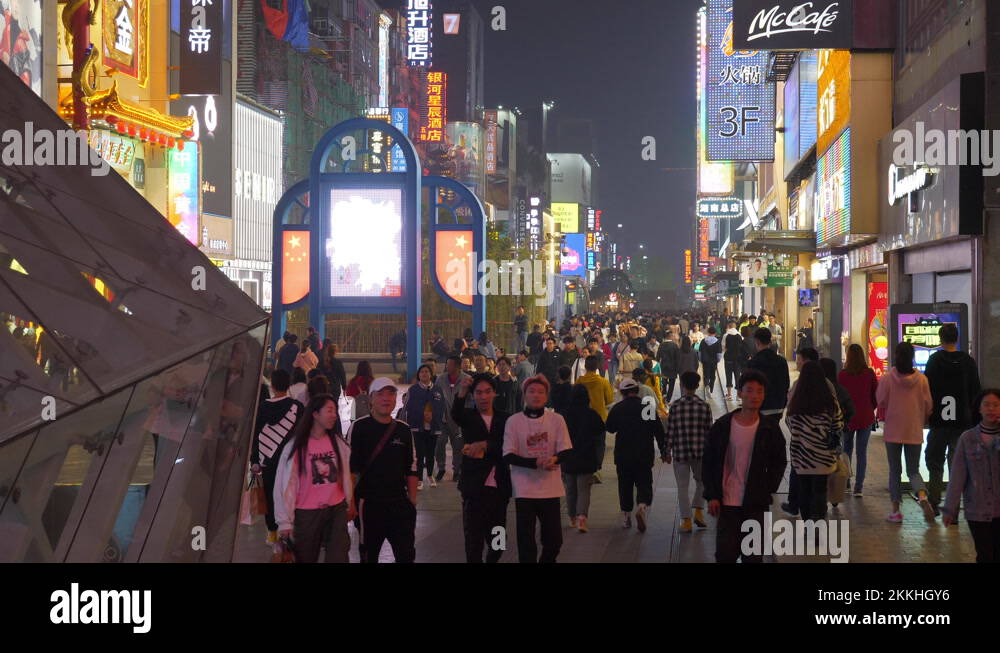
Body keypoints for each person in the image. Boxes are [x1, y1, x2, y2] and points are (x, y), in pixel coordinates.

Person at [703, 370, 787, 563]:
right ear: (740, 393)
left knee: (753, 557)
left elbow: (779, 461)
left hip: (755, 503)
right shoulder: (723, 426)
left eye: (759, 391)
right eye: (749, 391)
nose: (754, 396)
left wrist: (768, 488)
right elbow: (709, 461)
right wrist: (712, 495)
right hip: (727, 504)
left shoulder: (769, 429)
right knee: (725, 555)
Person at [273, 393, 354, 563]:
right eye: (330, 410)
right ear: (315, 414)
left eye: (335, 410)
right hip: (306, 514)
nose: (334, 415)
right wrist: (284, 522)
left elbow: (345, 477)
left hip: (336, 510)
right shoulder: (295, 447)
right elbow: (282, 485)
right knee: (305, 557)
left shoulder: (338, 443)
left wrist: (350, 502)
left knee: (339, 557)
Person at [503, 375, 572, 563]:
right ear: (524, 395)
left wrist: (555, 459)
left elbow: (566, 450)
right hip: (524, 489)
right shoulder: (513, 421)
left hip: (550, 489)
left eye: (540, 392)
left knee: (554, 540)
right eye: (531, 391)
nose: (536, 395)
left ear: (547, 396)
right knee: (526, 541)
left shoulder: (557, 420)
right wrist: (535, 463)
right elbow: (508, 455)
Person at [349, 378, 419, 563]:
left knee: (406, 555)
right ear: (370, 399)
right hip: (369, 505)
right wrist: (350, 503)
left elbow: (412, 467)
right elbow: (351, 470)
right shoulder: (359, 427)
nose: (386, 398)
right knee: (368, 555)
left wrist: (411, 501)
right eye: (380, 394)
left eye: (391, 394)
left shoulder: (404, 430)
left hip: (399, 505)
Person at [452, 373, 513, 563]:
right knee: (473, 542)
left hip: (499, 489)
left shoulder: (505, 419)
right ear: (473, 396)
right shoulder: (469, 417)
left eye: (487, 392)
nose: (483, 397)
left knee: (498, 540)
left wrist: (486, 445)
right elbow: (455, 413)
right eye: (478, 393)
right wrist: (462, 390)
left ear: (494, 393)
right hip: (474, 489)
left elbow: (508, 446)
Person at [924, 323, 982, 515]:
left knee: (935, 462)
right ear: (957, 338)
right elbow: (976, 394)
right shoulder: (968, 362)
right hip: (962, 423)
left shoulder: (934, 361)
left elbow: (927, 390)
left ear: (940, 339)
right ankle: (954, 509)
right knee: (957, 465)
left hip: (939, 422)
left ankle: (934, 503)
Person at [877, 342, 935, 524]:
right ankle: (923, 497)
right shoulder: (922, 380)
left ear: (895, 355)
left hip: (893, 430)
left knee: (895, 471)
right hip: (913, 430)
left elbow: (880, 400)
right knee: (913, 471)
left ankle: (896, 511)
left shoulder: (887, 379)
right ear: (912, 357)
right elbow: (929, 405)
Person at [943, 389, 1000, 562]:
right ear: (979, 409)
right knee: (985, 555)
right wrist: (950, 509)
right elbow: (958, 476)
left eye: (996, 405)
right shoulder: (967, 438)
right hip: (977, 508)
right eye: (987, 404)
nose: (991, 409)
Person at [785, 361, 844, 523]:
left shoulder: (796, 402)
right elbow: (838, 424)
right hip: (823, 456)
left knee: (804, 491)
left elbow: (789, 423)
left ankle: (808, 524)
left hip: (801, 455)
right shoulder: (829, 402)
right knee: (819, 491)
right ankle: (818, 520)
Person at [606, 378, 667, 532]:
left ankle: (626, 517)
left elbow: (610, 428)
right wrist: (664, 450)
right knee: (644, 481)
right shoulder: (646, 408)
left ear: (622, 392)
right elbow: (658, 431)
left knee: (625, 485)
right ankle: (641, 506)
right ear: (637, 391)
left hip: (623, 454)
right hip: (644, 453)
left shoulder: (618, 408)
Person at [251, 369, 304, 544]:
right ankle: (290, 530)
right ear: (289, 385)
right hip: (291, 462)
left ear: (272, 386)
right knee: (289, 494)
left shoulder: (263, 407)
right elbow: (303, 435)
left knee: (270, 495)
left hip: (268, 461)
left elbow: (255, 435)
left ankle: (273, 532)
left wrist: (255, 461)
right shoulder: (297, 407)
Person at [664, 371, 713, 533]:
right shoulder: (704, 406)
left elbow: (670, 431)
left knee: (682, 487)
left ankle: (686, 521)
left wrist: (667, 451)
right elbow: (709, 432)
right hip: (700, 452)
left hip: (681, 452)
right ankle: (699, 511)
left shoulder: (675, 406)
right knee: (702, 482)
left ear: (682, 385)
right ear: (698, 386)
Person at [560, 385, 605, 532]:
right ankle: (582, 519)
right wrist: (599, 460)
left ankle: (572, 517)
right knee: (584, 489)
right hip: (587, 457)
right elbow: (600, 439)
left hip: (568, 458)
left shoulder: (564, 415)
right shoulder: (592, 415)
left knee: (571, 489)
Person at [838, 344, 878, 498]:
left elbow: (840, 396)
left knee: (846, 451)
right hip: (865, 417)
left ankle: (847, 483)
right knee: (862, 453)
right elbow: (876, 395)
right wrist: (870, 407)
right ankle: (859, 488)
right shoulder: (869, 374)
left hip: (848, 418)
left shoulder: (842, 375)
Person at [404, 364, 445, 490]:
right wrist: (422, 414)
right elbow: (409, 408)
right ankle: (420, 479)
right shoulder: (413, 390)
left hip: (433, 427)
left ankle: (430, 476)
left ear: (431, 374)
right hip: (418, 427)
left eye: (427, 372)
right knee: (420, 454)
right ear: (418, 375)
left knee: (431, 453)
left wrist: (434, 415)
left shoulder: (438, 389)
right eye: (421, 372)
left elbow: (442, 407)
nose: (424, 374)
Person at [433, 355, 469, 483]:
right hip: (443, 418)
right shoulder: (440, 379)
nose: (447, 366)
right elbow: (435, 397)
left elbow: (470, 400)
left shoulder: (466, 379)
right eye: (447, 364)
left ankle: (457, 471)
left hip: (459, 420)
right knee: (439, 443)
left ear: (458, 366)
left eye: (450, 364)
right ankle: (441, 467)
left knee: (458, 446)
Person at [746, 328, 789, 418]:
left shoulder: (753, 362)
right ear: (770, 342)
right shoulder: (781, 361)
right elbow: (786, 384)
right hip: (778, 406)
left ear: (757, 342)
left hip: (760, 407)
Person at [656, 331, 680, 402]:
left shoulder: (661, 345)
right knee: (671, 385)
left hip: (663, 368)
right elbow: (677, 358)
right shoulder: (675, 345)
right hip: (673, 368)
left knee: (663, 384)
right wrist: (678, 369)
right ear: (670, 336)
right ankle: (668, 399)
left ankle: (663, 396)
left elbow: (658, 357)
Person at [722, 322, 743, 400]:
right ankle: (738, 396)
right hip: (738, 358)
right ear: (735, 327)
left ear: (729, 327)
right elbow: (742, 346)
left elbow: (723, 346)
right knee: (738, 376)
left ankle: (729, 395)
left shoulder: (726, 335)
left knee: (728, 375)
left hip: (728, 358)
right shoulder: (739, 335)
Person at [699, 327, 722, 397]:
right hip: (714, 361)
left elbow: (700, 352)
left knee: (706, 374)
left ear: (708, 332)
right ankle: (711, 389)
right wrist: (718, 360)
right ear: (715, 333)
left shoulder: (703, 341)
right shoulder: (717, 341)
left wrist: (701, 359)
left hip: (705, 361)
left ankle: (707, 386)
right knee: (713, 375)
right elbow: (719, 353)